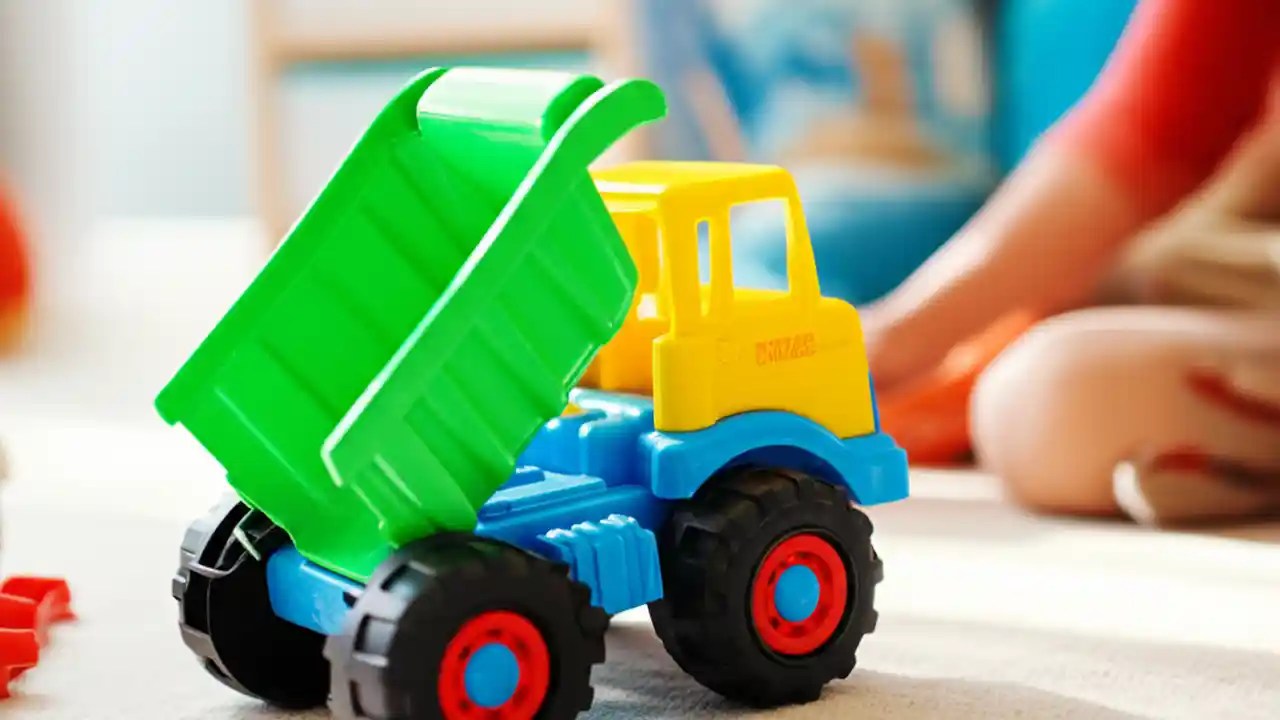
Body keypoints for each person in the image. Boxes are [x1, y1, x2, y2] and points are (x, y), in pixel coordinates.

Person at [862, 0, 1280, 525]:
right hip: (1229, 244)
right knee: (1052, 345)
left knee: (1051, 403)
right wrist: (894, 336)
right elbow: (1152, 133)